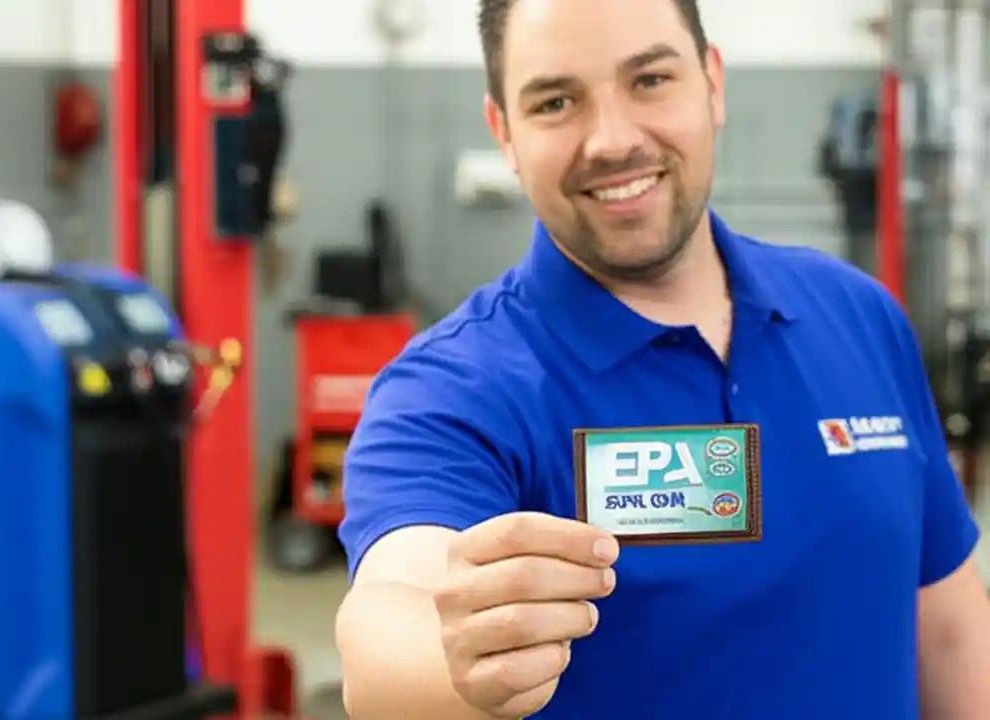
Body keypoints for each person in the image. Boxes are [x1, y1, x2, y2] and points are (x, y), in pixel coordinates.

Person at [333, 1, 990, 718]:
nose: (612, 140)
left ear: (712, 83)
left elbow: (949, 628)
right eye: (556, 102)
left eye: (649, 80)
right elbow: (388, 627)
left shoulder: (858, 315)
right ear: (506, 134)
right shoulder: (453, 390)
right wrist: (456, 658)